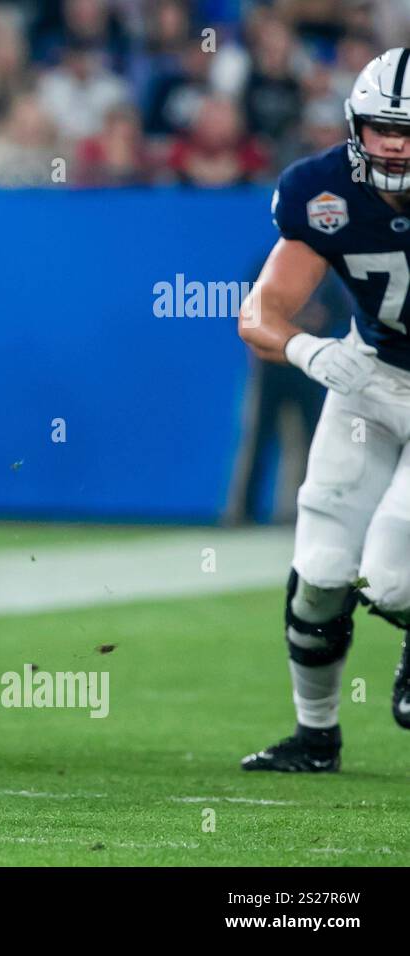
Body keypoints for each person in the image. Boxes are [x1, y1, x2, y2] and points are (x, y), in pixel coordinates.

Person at [239, 48, 410, 772]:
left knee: (393, 576)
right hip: (370, 376)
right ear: (354, 128)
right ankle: (316, 739)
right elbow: (261, 312)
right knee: (321, 574)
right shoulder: (322, 191)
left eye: (408, 130)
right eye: (381, 128)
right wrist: (309, 352)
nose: (394, 145)